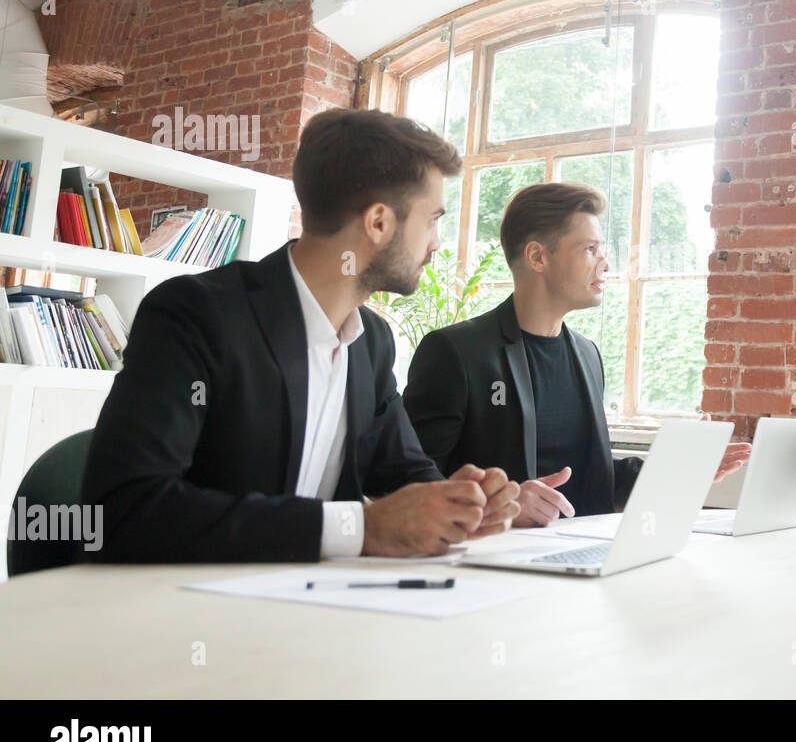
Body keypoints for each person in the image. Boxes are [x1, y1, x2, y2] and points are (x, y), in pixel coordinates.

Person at [82, 109, 520, 562]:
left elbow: (403, 472)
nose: (436, 243)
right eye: (432, 219)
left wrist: (466, 503)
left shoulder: (371, 342)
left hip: (312, 609)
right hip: (183, 613)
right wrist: (360, 527)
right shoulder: (195, 315)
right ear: (378, 223)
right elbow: (125, 511)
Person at [403, 181, 749, 528]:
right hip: (494, 565)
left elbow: (595, 478)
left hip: (584, 559)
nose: (605, 263)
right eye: (590, 249)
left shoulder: (588, 355)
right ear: (537, 256)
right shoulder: (455, 352)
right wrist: (500, 506)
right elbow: (408, 485)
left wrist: (681, 469)